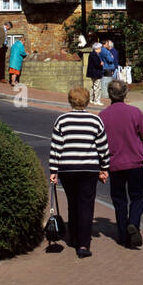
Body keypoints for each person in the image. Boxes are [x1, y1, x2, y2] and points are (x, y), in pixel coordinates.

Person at [48, 87, 110, 258]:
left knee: (72, 202)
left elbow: (56, 147)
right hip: (89, 169)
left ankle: (73, 237)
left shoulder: (62, 120)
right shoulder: (95, 121)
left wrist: (54, 170)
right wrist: (104, 168)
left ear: (70, 101)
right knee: (86, 205)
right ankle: (83, 244)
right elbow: (103, 147)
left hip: (67, 168)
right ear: (87, 101)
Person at [99, 79, 143, 248]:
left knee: (119, 200)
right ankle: (134, 223)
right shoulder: (135, 112)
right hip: (135, 163)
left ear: (109, 95)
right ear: (125, 93)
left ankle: (123, 235)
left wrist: (102, 166)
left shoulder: (102, 116)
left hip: (114, 164)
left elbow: (99, 143)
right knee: (137, 197)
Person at [86, 40, 106, 104]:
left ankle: (91, 98)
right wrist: (101, 63)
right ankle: (97, 100)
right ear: (97, 49)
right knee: (97, 87)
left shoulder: (93, 54)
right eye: (100, 48)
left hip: (93, 73)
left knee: (94, 86)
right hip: (96, 73)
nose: (101, 49)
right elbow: (97, 64)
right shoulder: (94, 55)